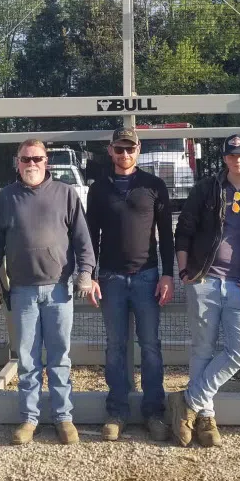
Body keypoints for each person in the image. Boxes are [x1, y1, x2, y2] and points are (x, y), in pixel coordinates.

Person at [0, 138, 97, 446]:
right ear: (17, 163)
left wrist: (86, 273)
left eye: (37, 158)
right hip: (22, 292)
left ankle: (64, 417)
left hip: (60, 290)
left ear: (47, 162)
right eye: (25, 159)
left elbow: (83, 240)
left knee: (60, 357)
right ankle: (29, 419)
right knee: (27, 359)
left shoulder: (66, 194)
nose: (31, 164)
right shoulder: (6, 198)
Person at [169, 134, 240, 448]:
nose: (237, 160)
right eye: (232, 155)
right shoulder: (207, 188)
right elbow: (184, 229)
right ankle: (205, 418)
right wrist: (185, 271)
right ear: (225, 159)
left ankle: (188, 401)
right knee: (202, 349)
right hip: (204, 280)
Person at [85, 127, 174, 442]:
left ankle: (154, 412)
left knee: (150, 346)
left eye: (130, 149)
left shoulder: (154, 185)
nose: (125, 154)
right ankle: (117, 412)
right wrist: (90, 274)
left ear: (139, 150)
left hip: (147, 277)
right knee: (115, 347)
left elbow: (167, 234)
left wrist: (168, 274)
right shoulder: (98, 189)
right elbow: (90, 235)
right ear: (110, 151)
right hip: (111, 278)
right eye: (119, 149)